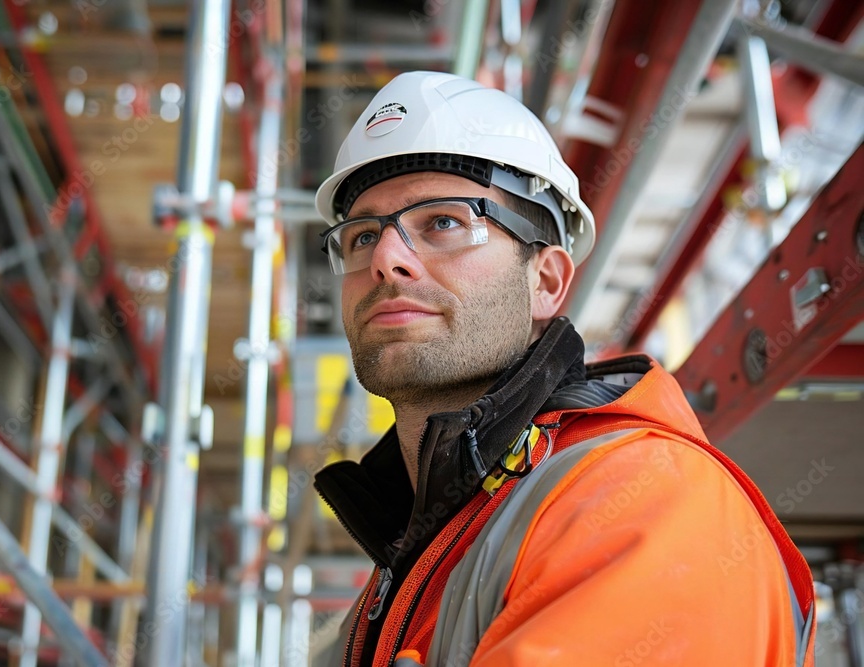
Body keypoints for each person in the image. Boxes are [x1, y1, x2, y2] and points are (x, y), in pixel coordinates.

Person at [311, 71, 816, 666]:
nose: (386, 259)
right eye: (362, 234)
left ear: (546, 281)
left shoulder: (644, 498)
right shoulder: (418, 556)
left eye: (443, 222)